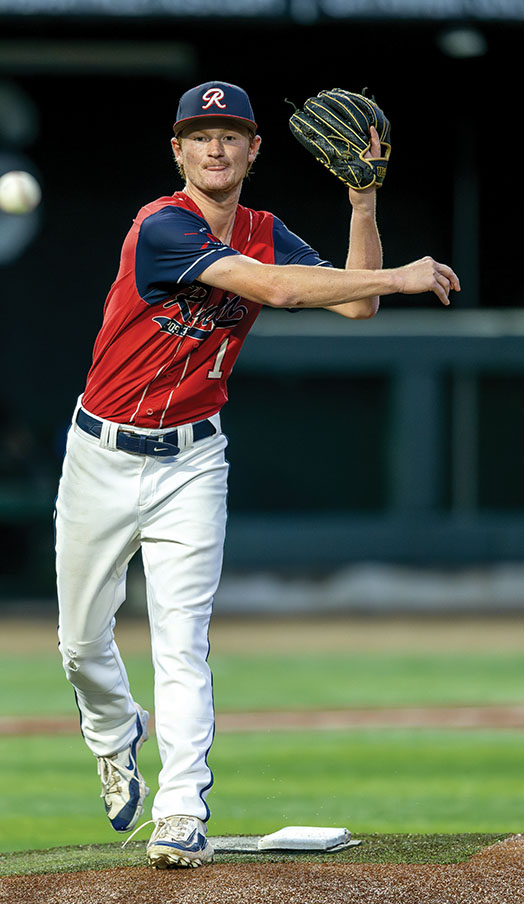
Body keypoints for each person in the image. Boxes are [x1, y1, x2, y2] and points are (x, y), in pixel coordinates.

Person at [53, 80, 459, 869]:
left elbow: (354, 307)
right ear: (178, 151)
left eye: (231, 134)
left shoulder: (265, 228)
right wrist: (400, 274)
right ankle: (113, 732)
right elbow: (277, 288)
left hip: (193, 461)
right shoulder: (160, 226)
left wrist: (363, 208)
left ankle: (179, 811)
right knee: (79, 643)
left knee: (182, 640)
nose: (215, 146)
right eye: (200, 135)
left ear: (253, 151)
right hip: (100, 454)